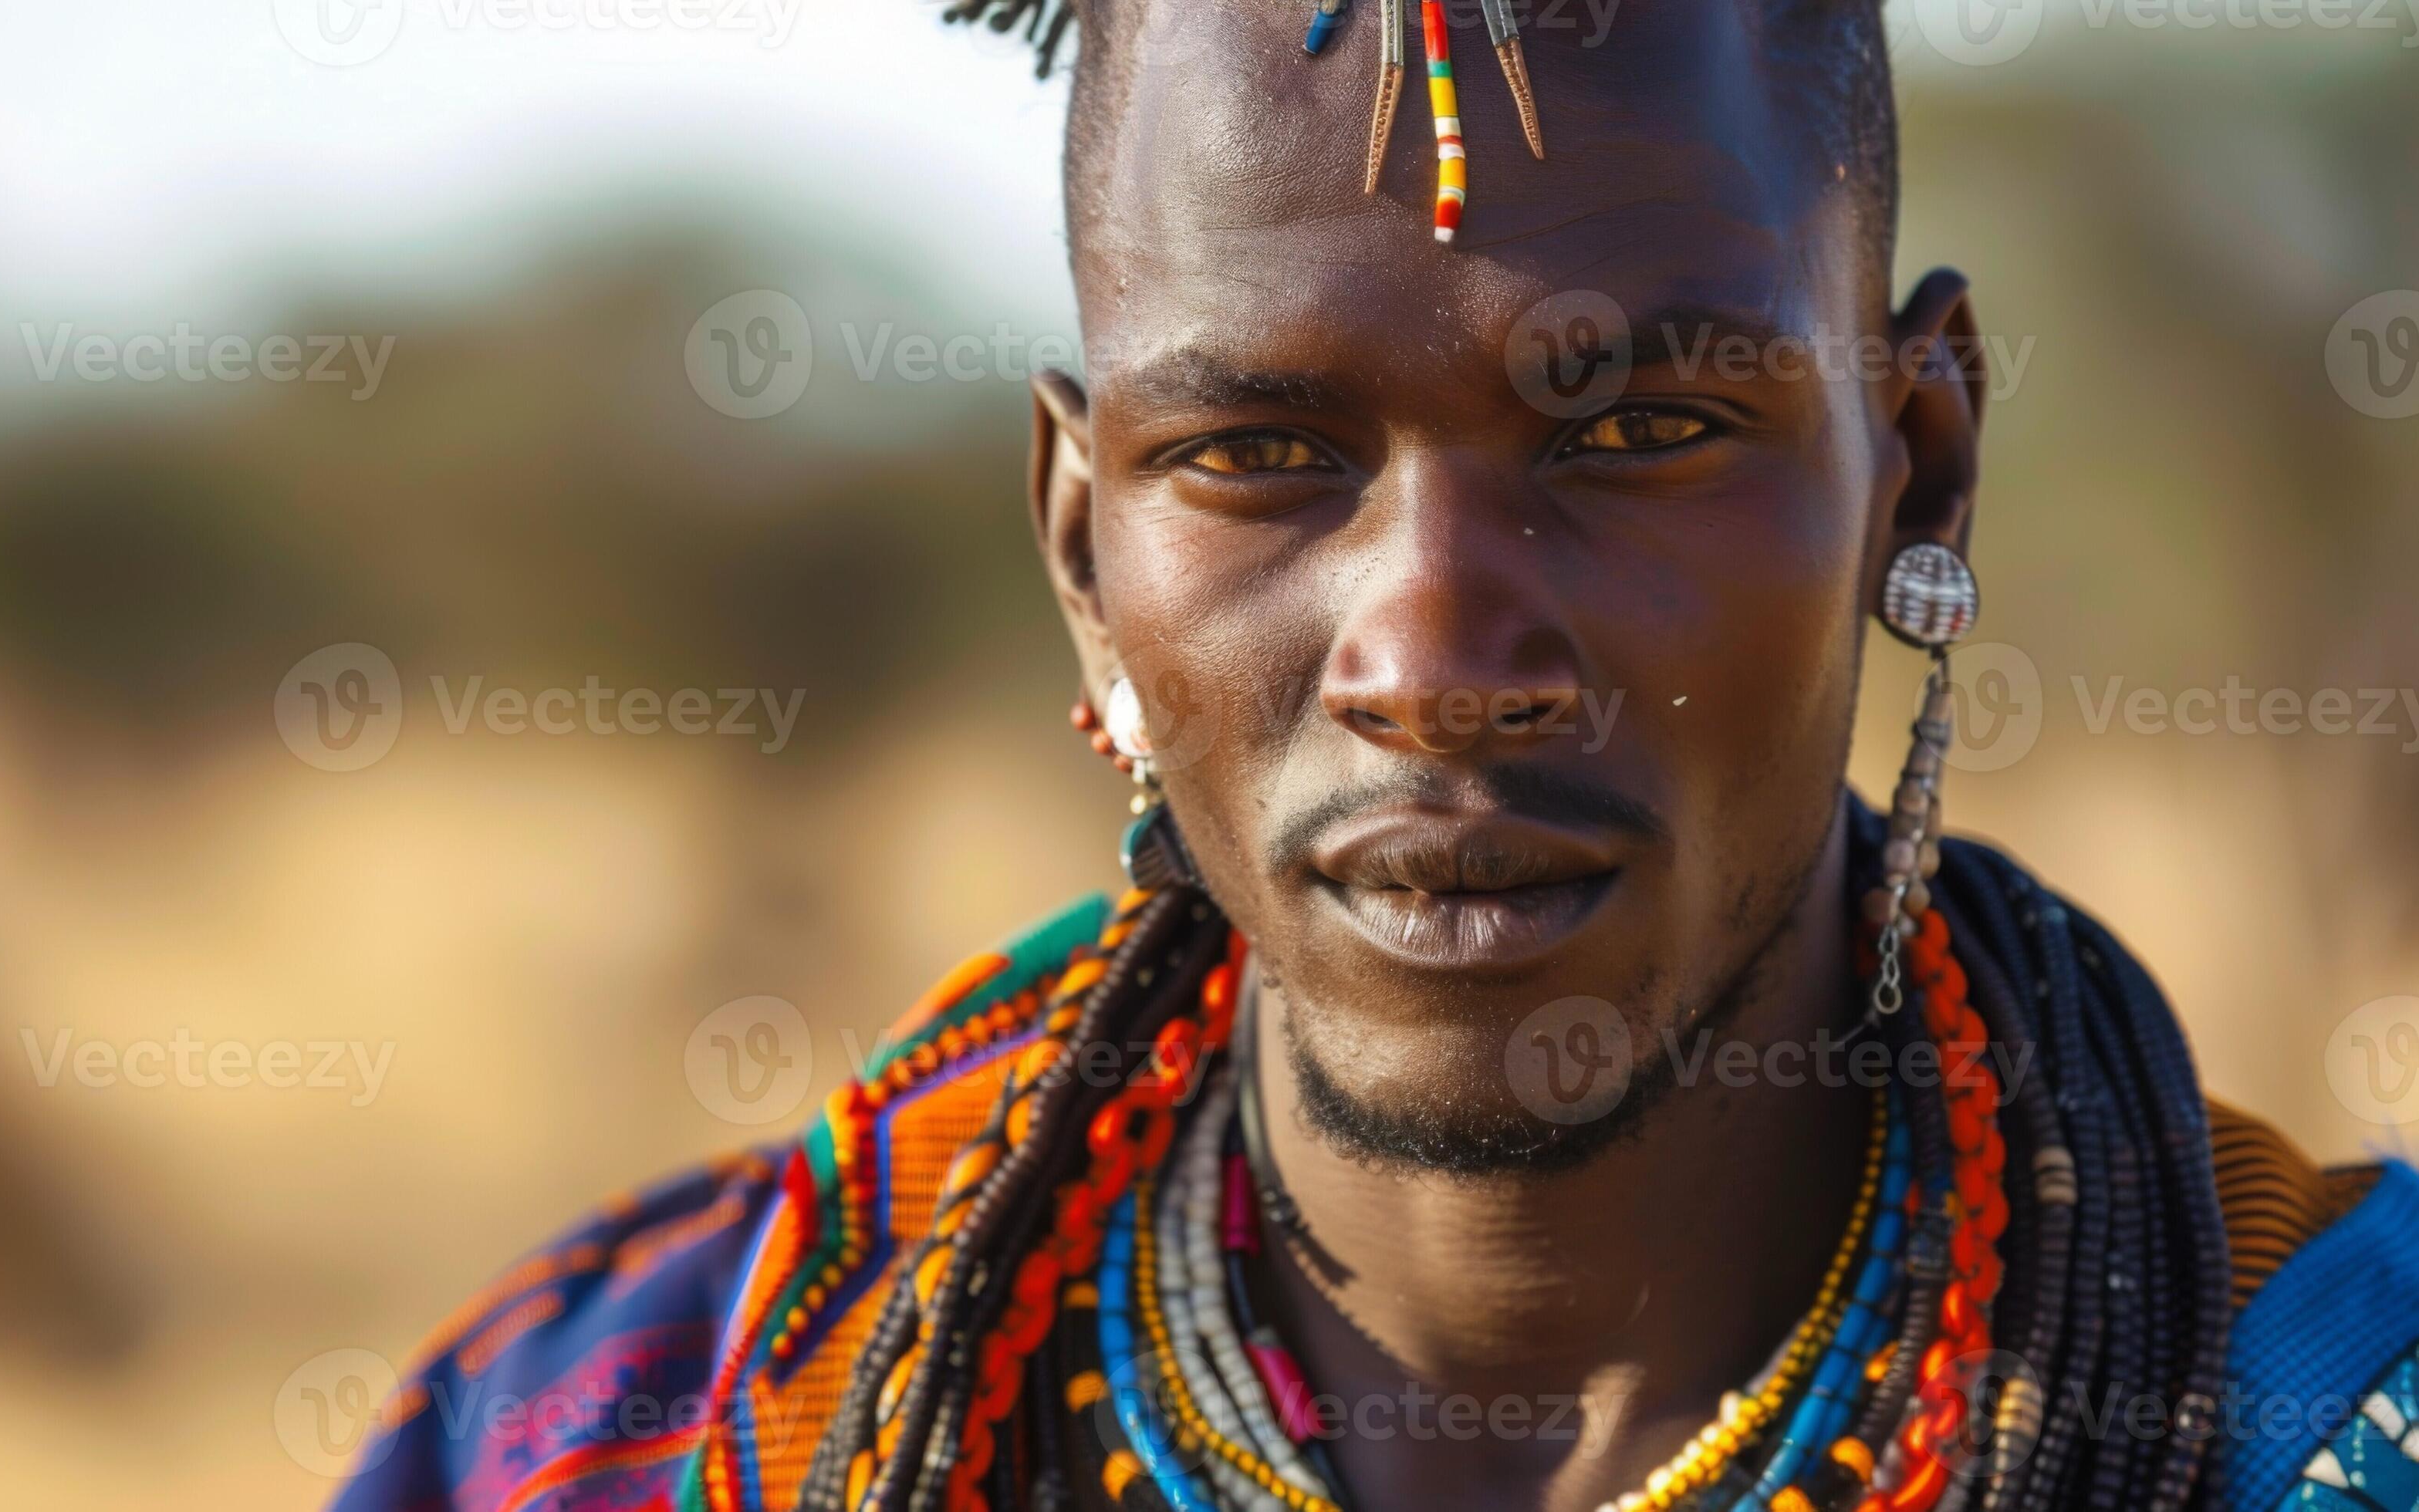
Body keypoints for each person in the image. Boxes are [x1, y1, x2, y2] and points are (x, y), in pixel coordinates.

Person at [326, 2, 2419, 1509]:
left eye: (1637, 436)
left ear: (1918, 470)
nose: (1433, 660)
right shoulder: (609, 1435)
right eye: (1252, 456)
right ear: (1081, 548)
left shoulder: (2321, 1406)